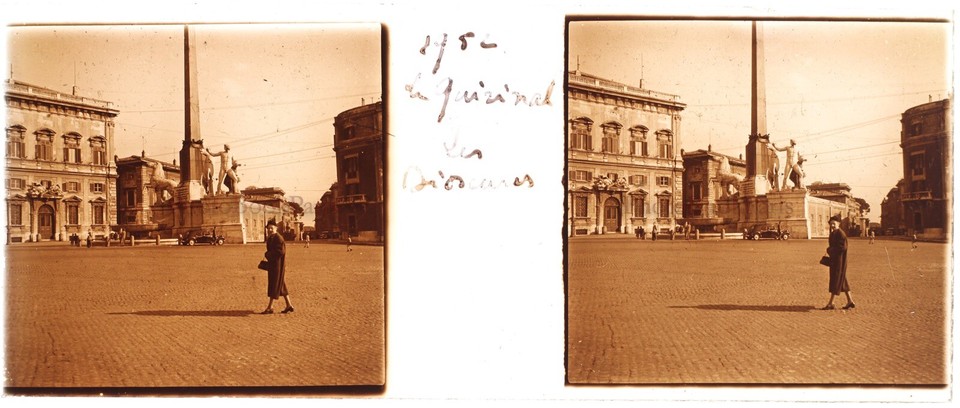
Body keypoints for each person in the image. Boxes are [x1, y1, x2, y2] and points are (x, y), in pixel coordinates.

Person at [822, 214, 855, 310]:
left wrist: (830, 250)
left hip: (839, 261)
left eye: (834, 224)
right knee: (842, 280)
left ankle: (831, 303)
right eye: (831, 224)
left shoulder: (840, 234)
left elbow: (842, 247)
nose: (832, 225)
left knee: (835, 280)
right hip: (835, 260)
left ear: (838, 224)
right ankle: (850, 301)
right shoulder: (834, 233)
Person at [260, 220, 294, 314]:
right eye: (268, 228)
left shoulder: (278, 238)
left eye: (272, 228)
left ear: (276, 228)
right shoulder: (271, 237)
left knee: (274, 284)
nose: (270, 230)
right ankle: (289, 305)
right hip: (274, 264)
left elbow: (280, 251)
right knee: (280, 284)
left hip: (277, 265)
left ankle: (270, 307)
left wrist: (268, 254)